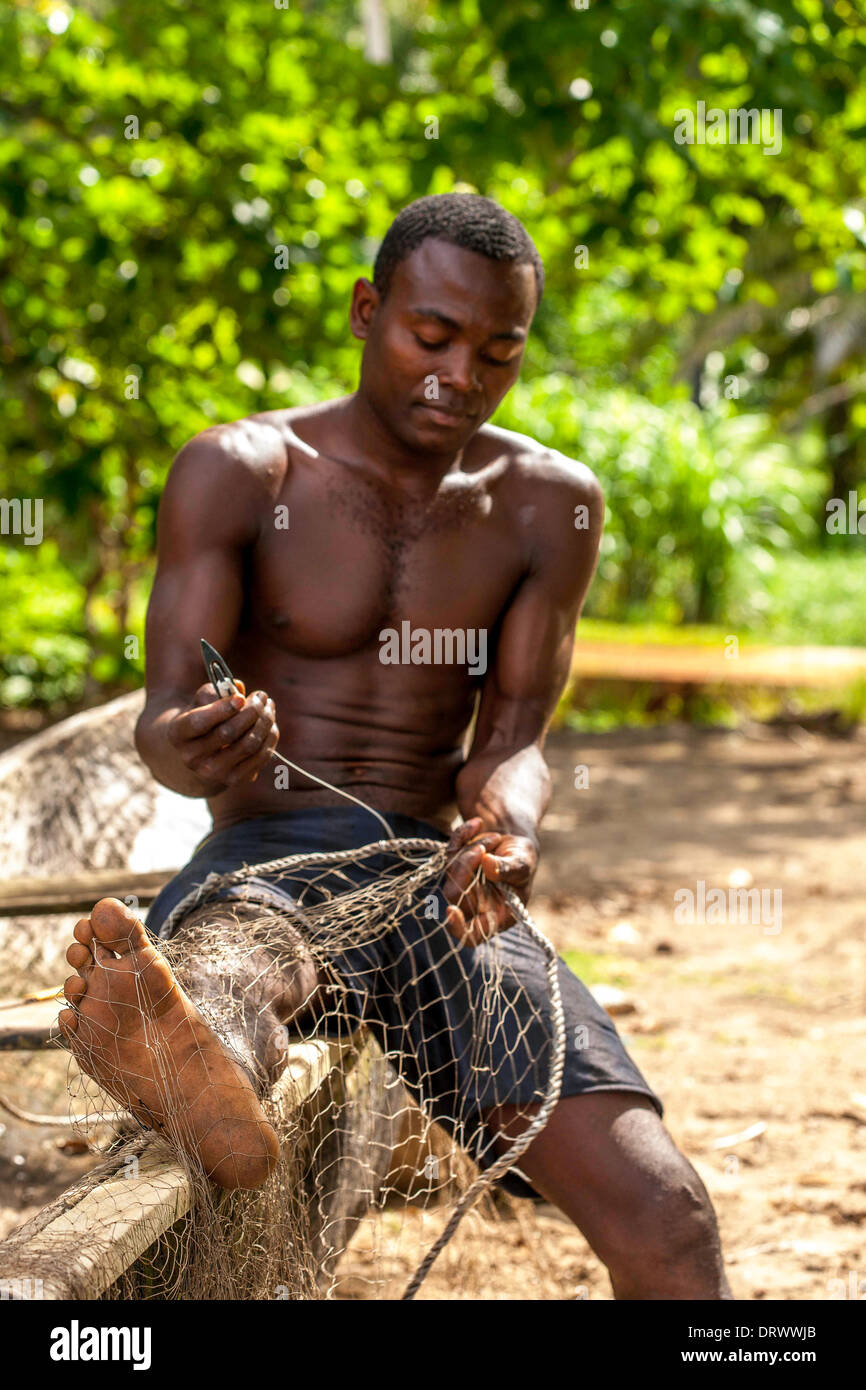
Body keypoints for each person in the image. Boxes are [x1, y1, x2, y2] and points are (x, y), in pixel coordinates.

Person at [60, 193, 730, 1298]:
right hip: (264, 863)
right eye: (432, 335)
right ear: (369, 311)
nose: (460, 374)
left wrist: (507, 830)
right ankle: (169, 1045)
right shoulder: (242, 469)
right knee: (231, 987)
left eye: (497, 350)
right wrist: (208, 744)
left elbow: (514, 740)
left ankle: (193, 1042)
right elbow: (164, 729)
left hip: (436, 887)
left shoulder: (545, 505)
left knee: (668, 1219)